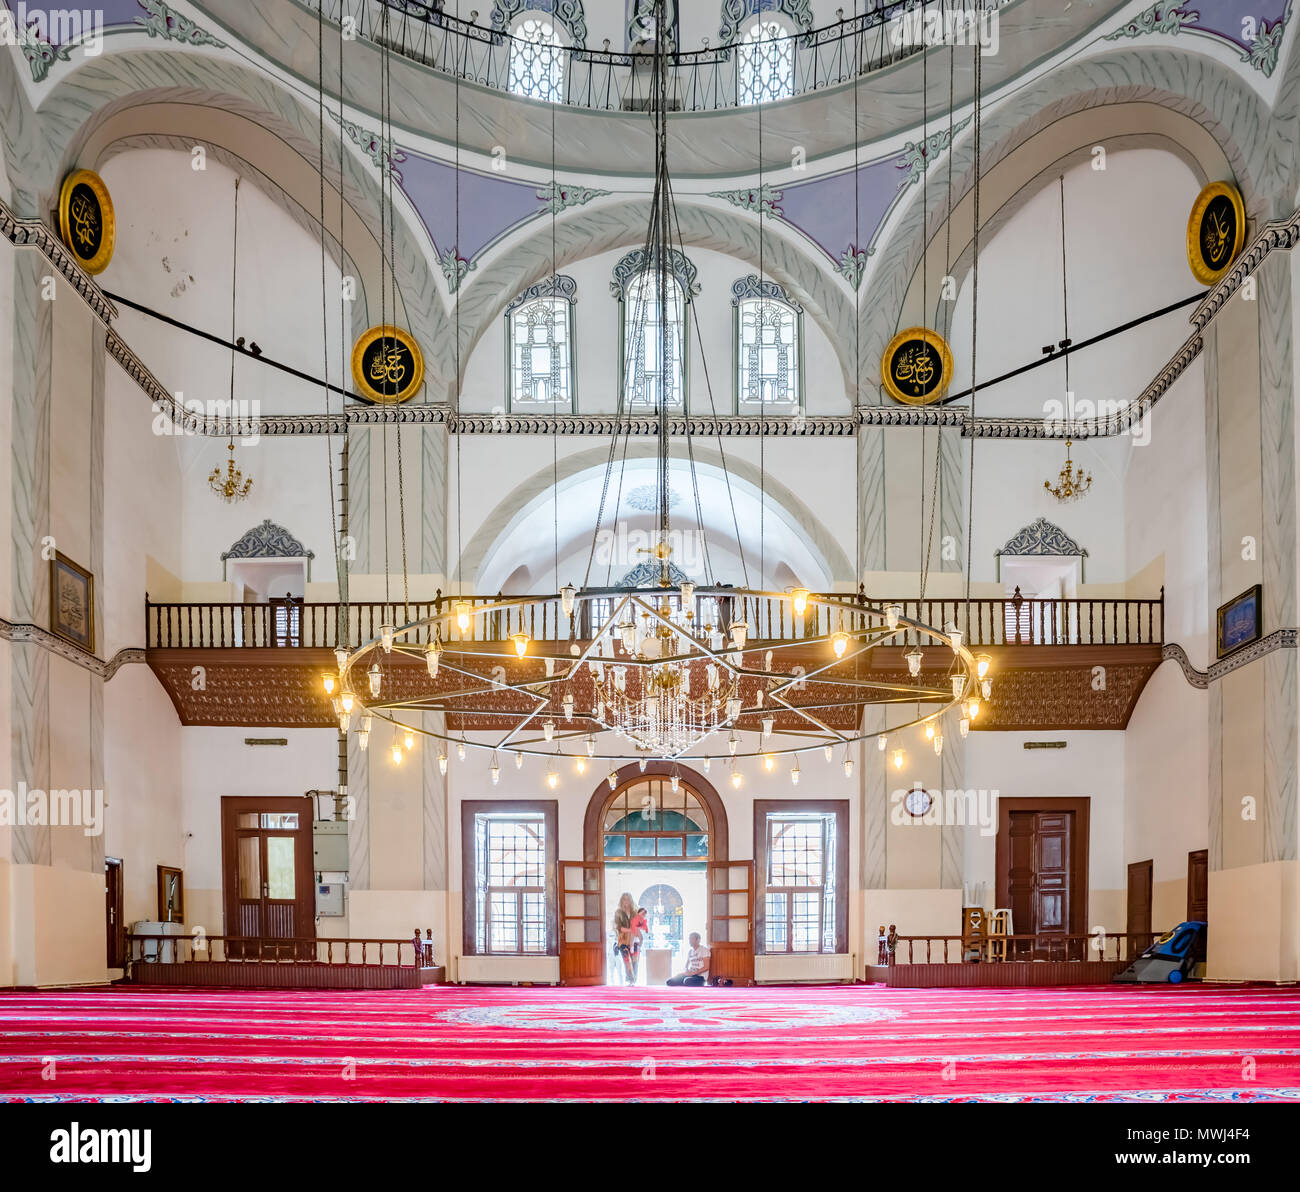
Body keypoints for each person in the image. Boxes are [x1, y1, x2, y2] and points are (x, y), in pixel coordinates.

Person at [612, 892, 640, 985]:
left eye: (628, 899)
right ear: (621, 901)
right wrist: (630, 930)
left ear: (631, 901)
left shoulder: (635, 913)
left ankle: (633, 981)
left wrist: (633, 931)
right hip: (623, 940)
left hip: (634, 940)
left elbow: (637, 927)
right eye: (624, 899)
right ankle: (631, 980)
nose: (626, 901)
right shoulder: (618, 913)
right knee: (627, 961)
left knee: (635, 962)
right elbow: (619, 927)